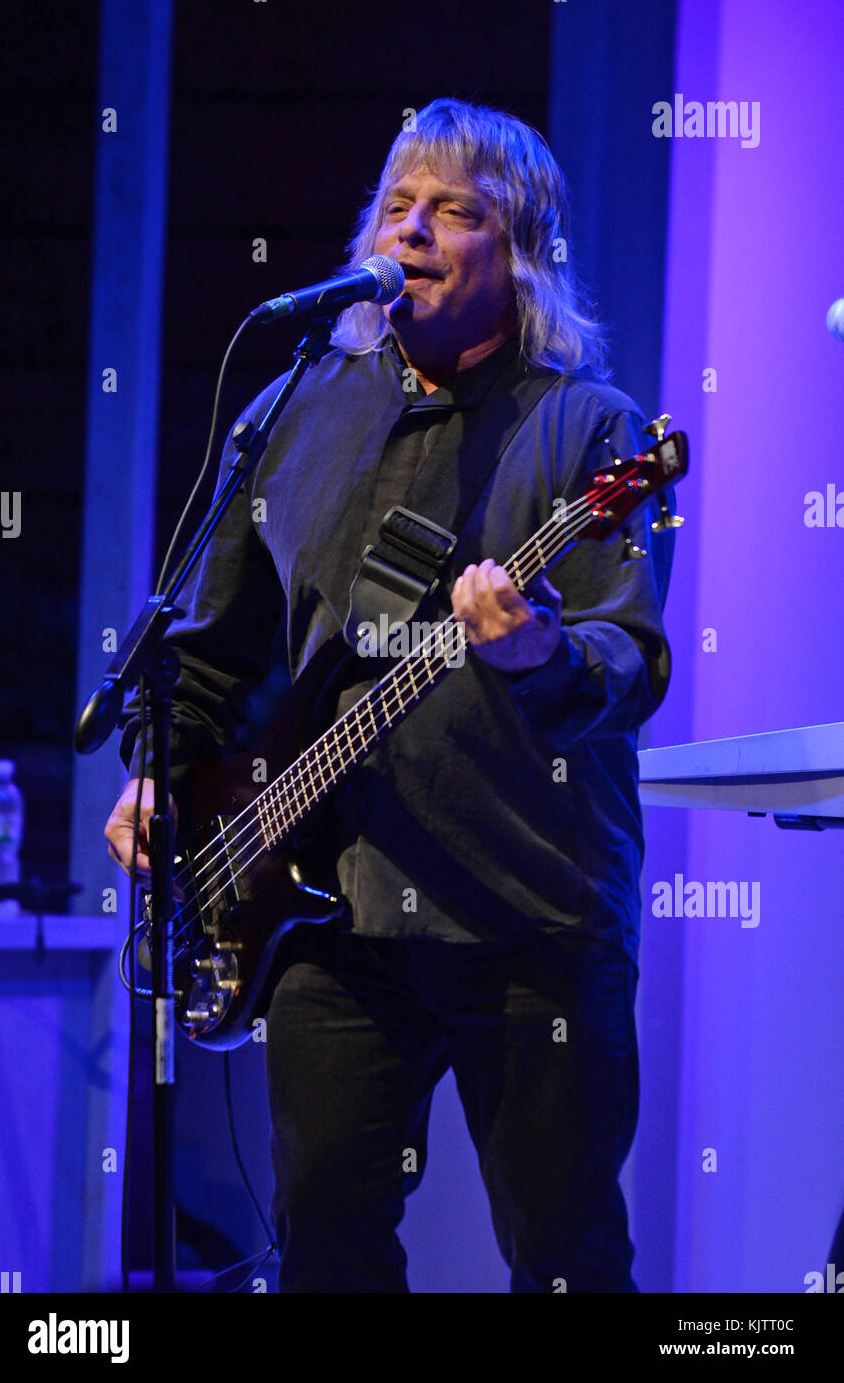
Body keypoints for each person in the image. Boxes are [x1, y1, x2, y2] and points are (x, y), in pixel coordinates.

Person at [105, 97, 675, 1293]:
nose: (413, 230)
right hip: (330, 916)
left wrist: (532, 658)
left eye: (455, 211)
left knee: (564, 1254)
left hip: (532, 912)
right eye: (397, 206)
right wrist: (158, 773)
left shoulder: (587, 432)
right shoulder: (292, 414)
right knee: (325, 1243)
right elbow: (205, 649)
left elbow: (626, 661)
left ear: (518, 254)